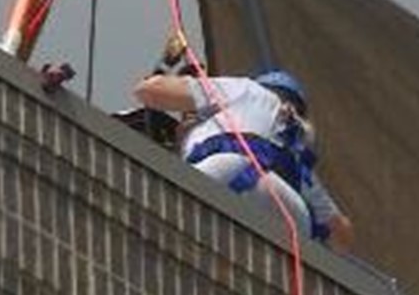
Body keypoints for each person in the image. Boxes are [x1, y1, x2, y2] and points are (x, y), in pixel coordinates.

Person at [134, 68, 354, 249]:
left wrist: (156, 80)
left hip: (232, 171)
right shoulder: (294, 148)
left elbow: (150, 92)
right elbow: (342, 232)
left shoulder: (249, 90)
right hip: (294, 219)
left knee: (157, 206)